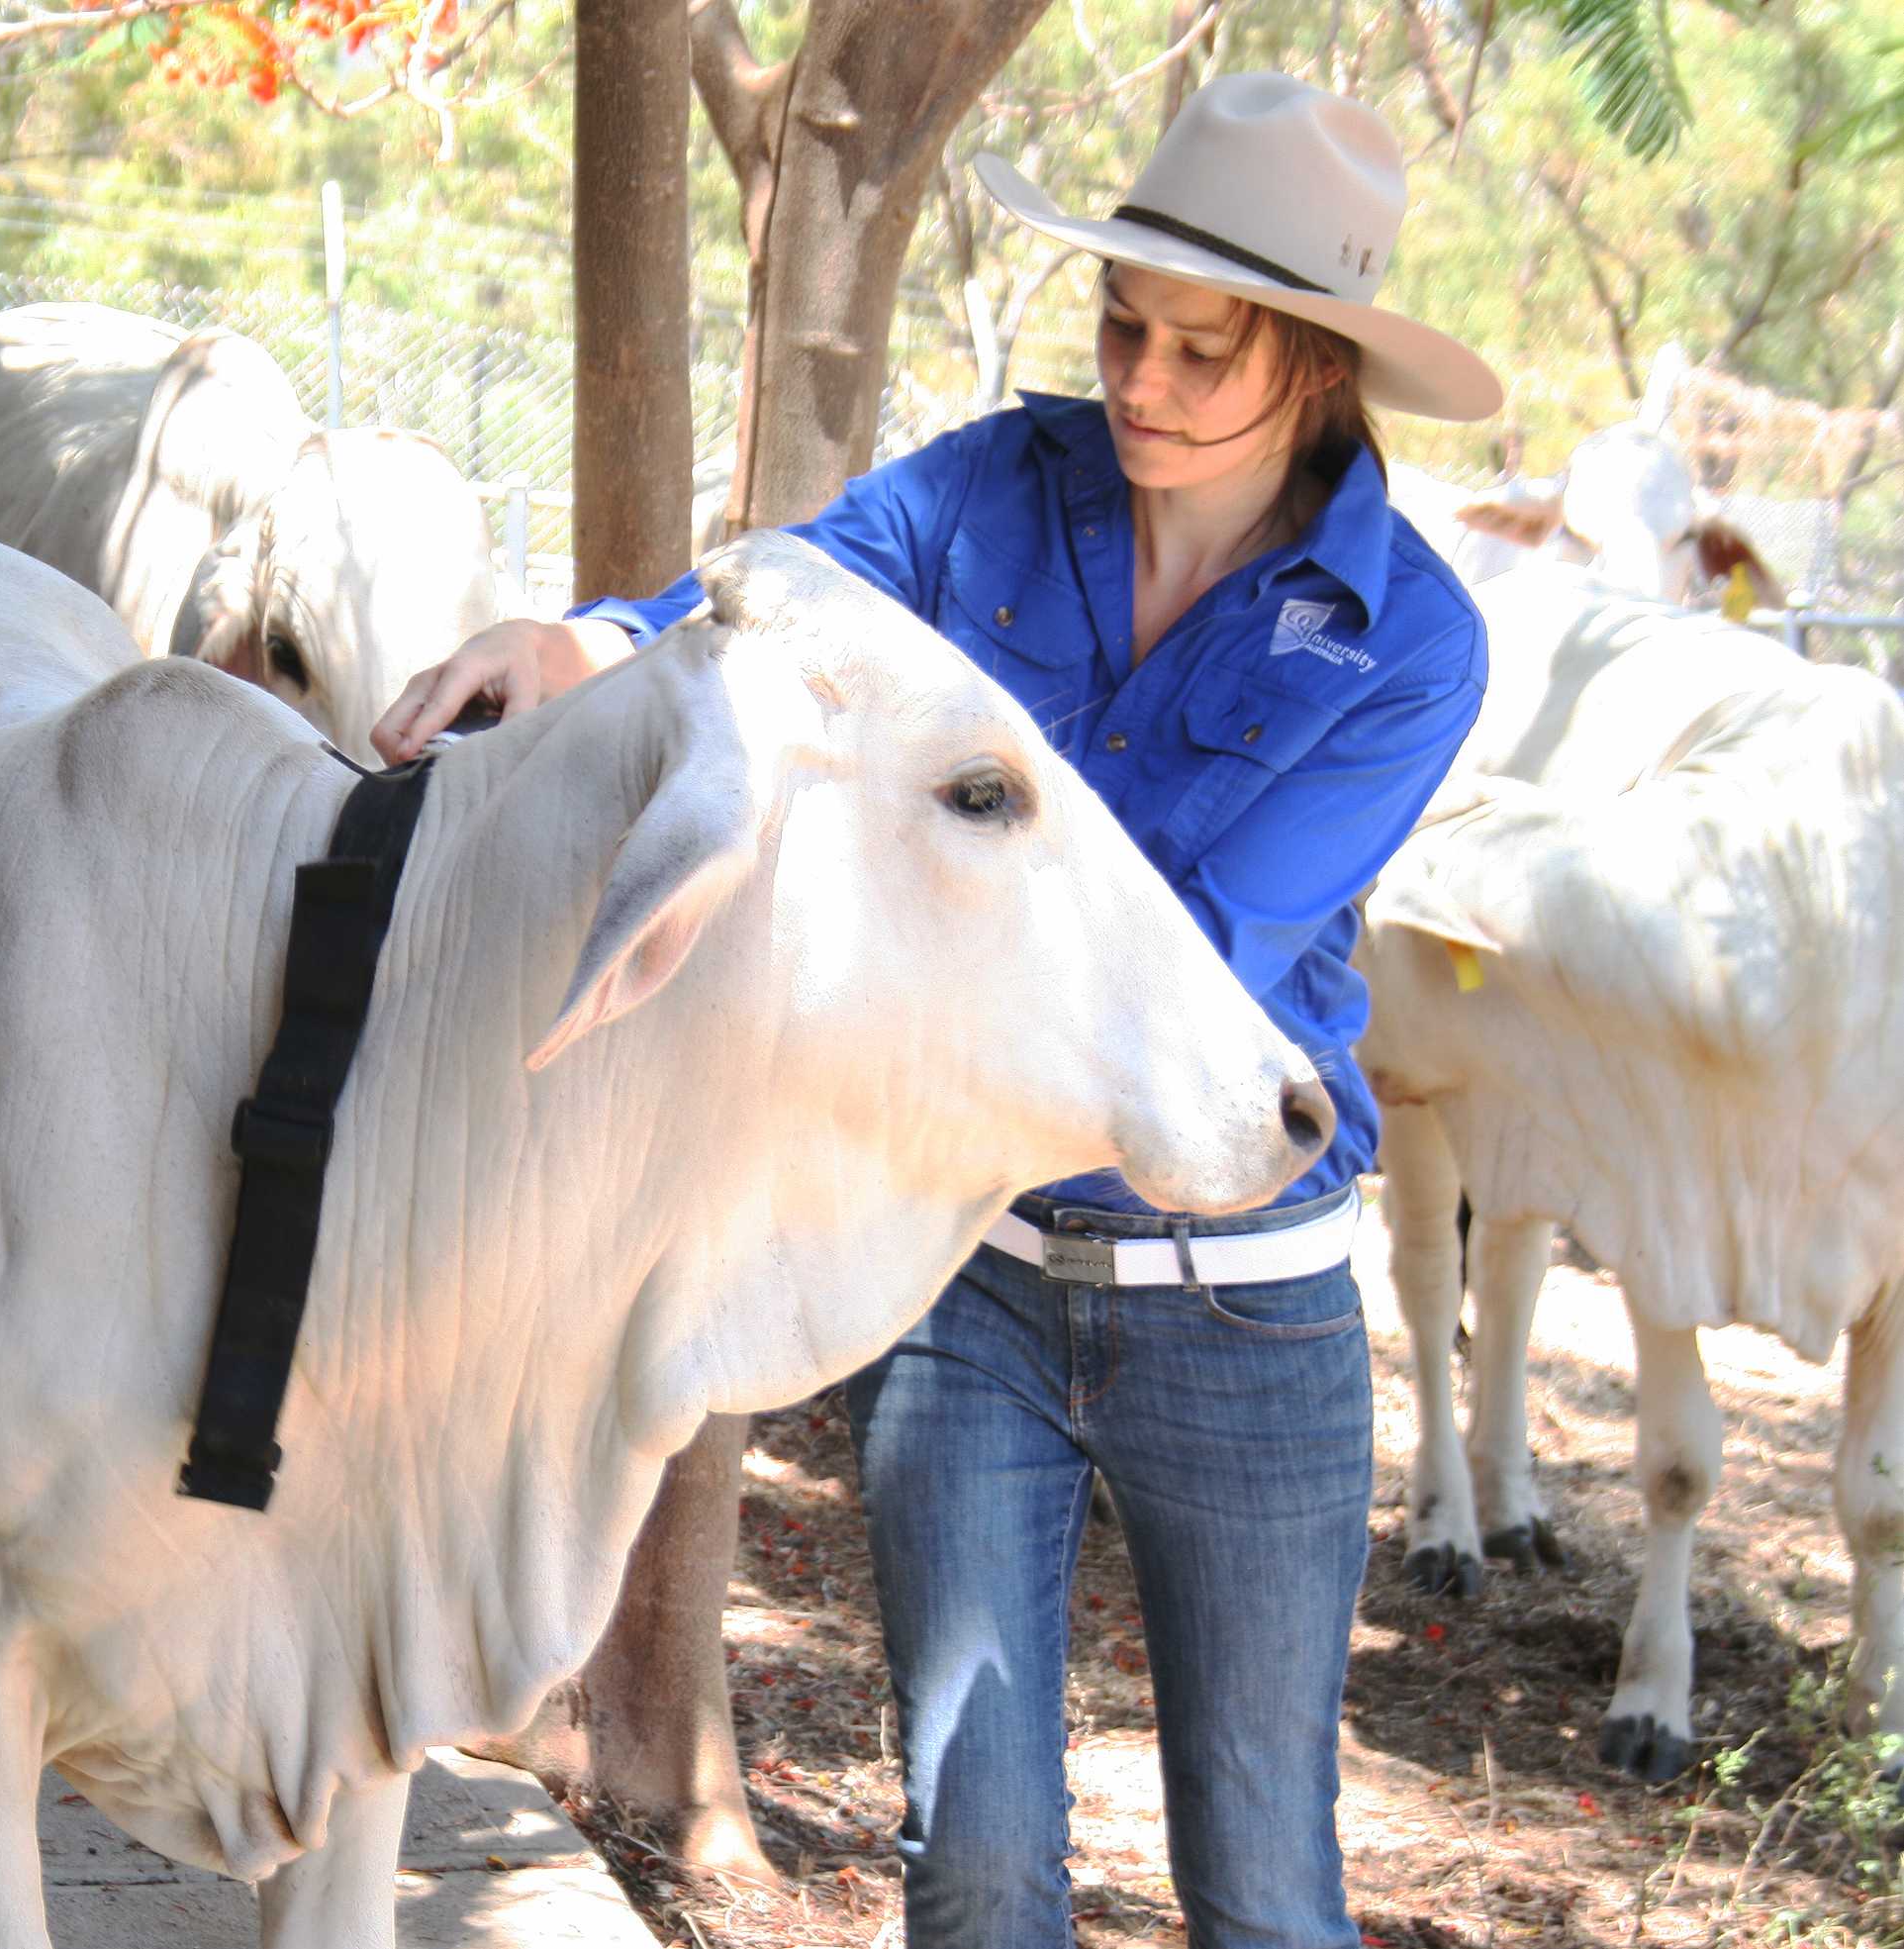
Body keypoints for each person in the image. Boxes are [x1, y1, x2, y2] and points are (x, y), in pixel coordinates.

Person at [371, 73, 1501, 1949]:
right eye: (1119, 325)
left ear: (1310, 364)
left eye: (1196, 351)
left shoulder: (1407, 642)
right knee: (969, 1868)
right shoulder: (996, 483)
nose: (1136, 379)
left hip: (1241, 1304)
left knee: (1264, 1878)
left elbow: (1186, 945)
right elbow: (782, 593)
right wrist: (590, 642)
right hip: (964, 1276)